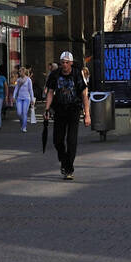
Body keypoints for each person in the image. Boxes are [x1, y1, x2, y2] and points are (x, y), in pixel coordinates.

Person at [45, 51, 89, 179]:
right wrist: (47, 109)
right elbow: (50, 92)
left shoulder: (76, 74)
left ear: (71, 63)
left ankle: (68, 169)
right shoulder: (55, 74)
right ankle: (64, 161)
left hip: (73, 109)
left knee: (71, 140)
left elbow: (84, 95)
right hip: (59, 109)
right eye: (62, 62)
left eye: (67, 62)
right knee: (57, 140)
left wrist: (87, 114)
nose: (64, 65)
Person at [13, 66, 36, 132]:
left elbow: (30, 90)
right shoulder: (18, 80)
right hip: (19, 98)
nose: (19, 72)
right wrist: (14, 97)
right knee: (19, 113)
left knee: (24, 113)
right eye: (19, 71)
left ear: (24, 72)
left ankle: (24, 127)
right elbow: (16, 88)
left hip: (27, 98)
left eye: (20, 71)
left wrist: (32, 99)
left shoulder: (28, 80)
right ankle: (22, 123)